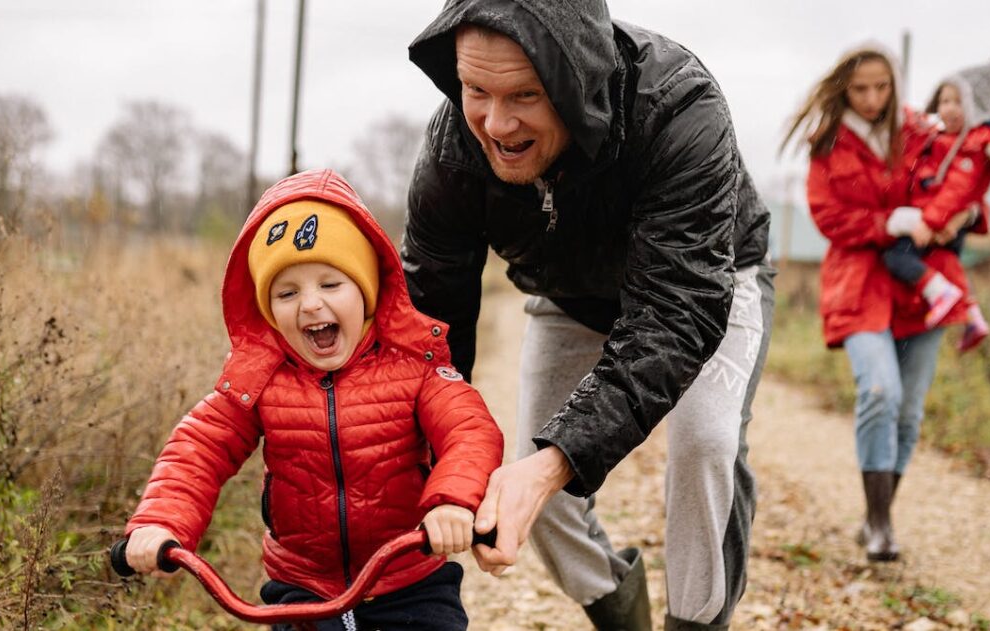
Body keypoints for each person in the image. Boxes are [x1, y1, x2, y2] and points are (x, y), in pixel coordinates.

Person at [402, 1, 773, 629]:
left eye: (525, 93)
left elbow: (674, 316)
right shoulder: (452, 151)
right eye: (476, 90)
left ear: (576, 79)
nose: (495, 122)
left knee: (704, 442)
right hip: (568, 295)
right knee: (536, 496)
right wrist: (423, 459)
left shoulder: (680, 107)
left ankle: (698, 620)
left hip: (708, 281)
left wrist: (556, 463)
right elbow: (431, 327)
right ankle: (619, 612)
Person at [120, 169, 504, 631]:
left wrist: (452, 502)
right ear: (268, 310)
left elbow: (470, 430)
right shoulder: (260, 378)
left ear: (366, 289)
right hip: (302, 585)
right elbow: (199, 449)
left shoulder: (413, 365)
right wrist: (160, 522)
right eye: (287, 292)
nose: (310, 305)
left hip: (408, 578)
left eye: (330, 284)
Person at [782, 46, 990, 562]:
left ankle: (880, 517)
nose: (873, 98)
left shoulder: (919, 129)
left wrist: (970, 212)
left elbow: (970, 164)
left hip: (924, 283)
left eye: (882, 87)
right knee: (879, 391)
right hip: (859, 283)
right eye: (860, 89)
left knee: (909, 411)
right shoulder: (827, 143)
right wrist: (890, 223)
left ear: (894, 85)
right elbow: (829, 218)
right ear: (843, 89)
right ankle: (878, 524)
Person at [886, 55, 990, 351]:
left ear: (974, 108)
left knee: (896, 258)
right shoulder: (940, 140)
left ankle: (940, 294)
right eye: (944, 100)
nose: (948, 109)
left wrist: (930, 223)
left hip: (938, 222)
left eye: (958, 102)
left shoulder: (970, 146)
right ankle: (972, 316)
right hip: (942, 221)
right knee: (946, 264)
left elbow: (956, 191)